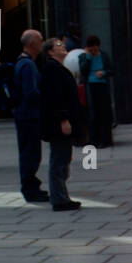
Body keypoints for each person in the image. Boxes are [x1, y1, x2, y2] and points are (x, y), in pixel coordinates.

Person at [39, 37, 84, 211]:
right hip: (58, 123)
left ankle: (62, 196)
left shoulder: (59, 68)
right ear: (50, 51)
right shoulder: (52, 69)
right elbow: (55, 98)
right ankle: (59, 199)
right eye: (58, 45)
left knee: (63, 159)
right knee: (59, 160)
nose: (63, 46)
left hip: (62, 121)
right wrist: (63, 119)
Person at [13, 29, 48, 202]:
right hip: (28, 116)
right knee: (31, 153)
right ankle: (30, 189)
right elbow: (31, 92)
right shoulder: (27, 65)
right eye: (40, 40)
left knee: (30, 152)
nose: (42, 43)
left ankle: (32, 186)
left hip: (25, 115)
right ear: (32, 43)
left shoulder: (24, 62)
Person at [79, 36, 115, 147]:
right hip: (90, 85)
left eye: (95, 49)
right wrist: (89, 58)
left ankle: (104, 139)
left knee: (103, 112)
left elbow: (111, 70)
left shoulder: (104, 55)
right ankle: (94, 139)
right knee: (92, 113)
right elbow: (83, 70)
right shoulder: (84, 56)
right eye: (91, 49)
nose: (93, 51)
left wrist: (103, 73)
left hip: (102, 85)